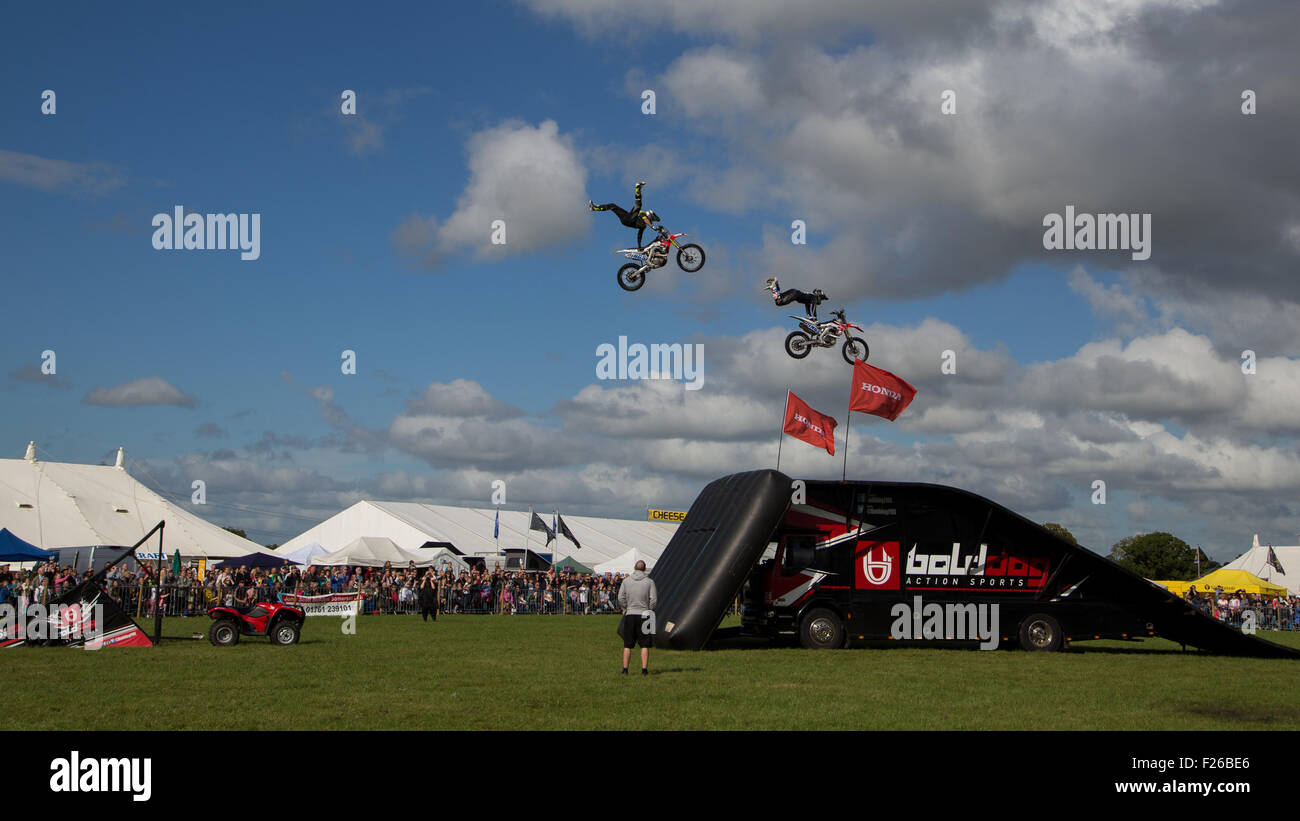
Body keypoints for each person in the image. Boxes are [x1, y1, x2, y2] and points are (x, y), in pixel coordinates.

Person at [589, 181, 660, 249]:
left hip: (629, 219)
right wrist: (639, 246)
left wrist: (651, 227)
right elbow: (640, 235)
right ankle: (594, 208)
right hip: (626, 219)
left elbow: (641, 230)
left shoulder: (643, 218)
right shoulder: (644, 224)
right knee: (613, 206)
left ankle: (638, 189)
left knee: (638, 205)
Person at [617, 560, 658, 676]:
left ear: (634, 567)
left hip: (630, 614)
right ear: (645, 569)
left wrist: (626, 607)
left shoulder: (626, 581)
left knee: (627, 644)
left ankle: (625, 669)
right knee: (644, 644)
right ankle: (644, 669)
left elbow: (620, 598)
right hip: (644, 614)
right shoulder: (649, 582)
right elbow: (653, 600)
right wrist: (649, 609)